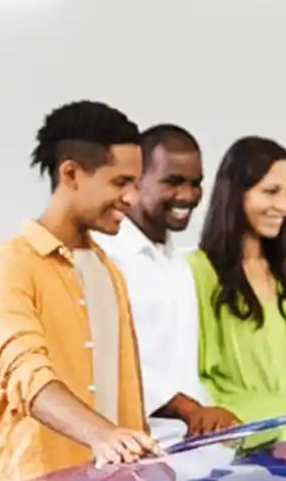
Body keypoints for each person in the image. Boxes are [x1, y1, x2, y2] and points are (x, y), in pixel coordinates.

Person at [0, 100, 160, 481]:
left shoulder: (110, 272)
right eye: (119, 182)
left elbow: (125, 394)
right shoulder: (6, 266)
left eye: (136, 185)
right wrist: (103, 435)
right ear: (70, 173)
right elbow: (25, 374)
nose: (131, 198)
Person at [95, 124, 241, 441]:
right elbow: (111, 365)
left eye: (196, 183)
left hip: (189, 453)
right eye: (173, 182)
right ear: (134, 182)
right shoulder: (106, 261)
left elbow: (182, 368)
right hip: (130, 456)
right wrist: (189, 410)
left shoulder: (179, 266)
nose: (187, 195)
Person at [188, 136, 286, 424]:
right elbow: (192, 374)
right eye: (271, 191)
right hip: (234, 440)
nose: (283, 206)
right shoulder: (198, 270)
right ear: (236, 192)